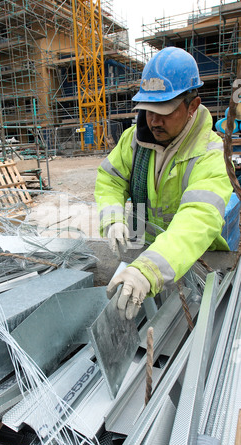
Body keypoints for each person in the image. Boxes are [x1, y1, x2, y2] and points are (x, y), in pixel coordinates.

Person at [94, 46, 233, 321]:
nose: (154, 120)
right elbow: (110, 178)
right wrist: (113, 218)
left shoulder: (212, 154)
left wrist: (148, 270)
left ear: (192, 106)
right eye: (148, 110)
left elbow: (197, 220)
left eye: (165, 111)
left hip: (194, 261)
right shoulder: (134, 140)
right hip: (144, 255)